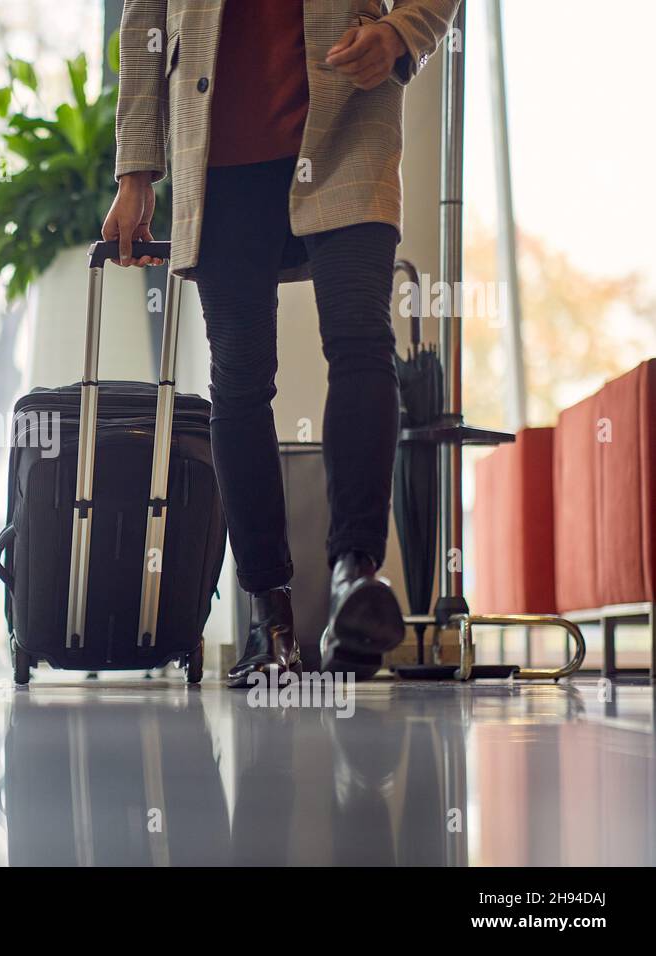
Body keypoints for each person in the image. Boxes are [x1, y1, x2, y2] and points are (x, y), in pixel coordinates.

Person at [103, 0, 460, 685]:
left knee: (361, 340)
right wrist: (136, 170)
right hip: (217, 147)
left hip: (350, 121)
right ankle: (270, 617)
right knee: (239, 380)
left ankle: (355, 576)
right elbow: (143, 17)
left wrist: (400, 33)